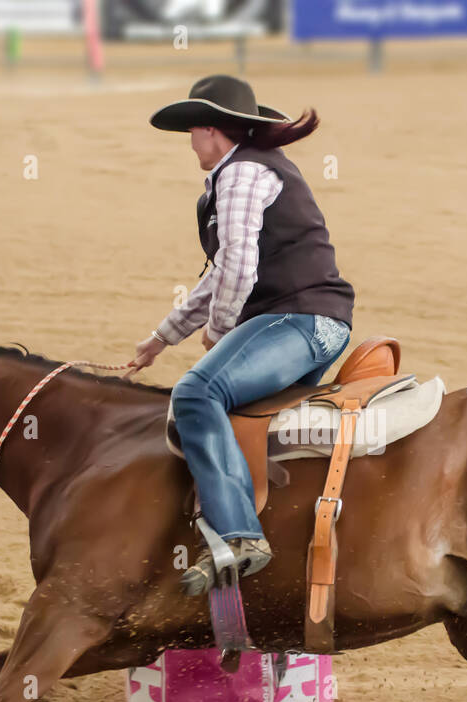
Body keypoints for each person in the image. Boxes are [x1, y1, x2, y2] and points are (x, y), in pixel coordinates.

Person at [125, 75, 355, 596]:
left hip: (297, 320)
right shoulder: (252, 169)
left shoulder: (242, 174)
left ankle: (239, 535)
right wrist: (163, 338)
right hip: (311, 321)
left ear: (212, 129)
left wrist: (220, 331)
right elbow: (221, 273)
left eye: (192, 131)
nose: (189, 143)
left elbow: (237, 268)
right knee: (231, 406)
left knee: (197, 392)